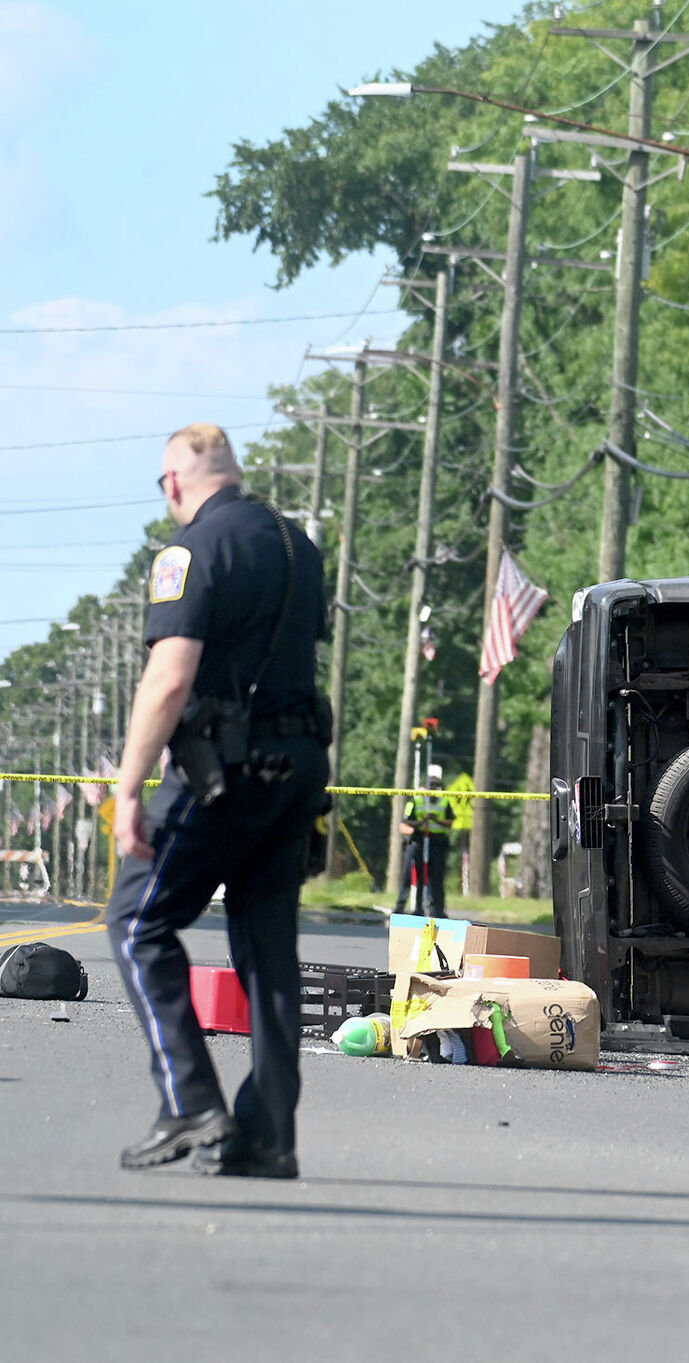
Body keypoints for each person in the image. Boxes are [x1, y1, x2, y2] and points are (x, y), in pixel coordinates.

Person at [105, 423, 329, 1178]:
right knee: (267, 946)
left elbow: (170, 678)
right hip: (300, 766)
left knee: (137, 919)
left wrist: (128, 786)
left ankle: (189, 1099)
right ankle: (268, 1136)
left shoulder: (192, 550)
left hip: (225, 768)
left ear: (174, 481)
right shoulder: (300, 546)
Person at [395, 763, 455, 915]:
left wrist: (436, 820)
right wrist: (422, 822)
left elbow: (450, 822)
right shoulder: (417, 800)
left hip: (438, 843)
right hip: (420, 841)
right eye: (431, 785)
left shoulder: (444, 801)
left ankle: (437, 910)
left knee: (437, 878)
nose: (433, 789)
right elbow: (405, 822)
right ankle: (416, 908)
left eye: (436, 786)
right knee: (418, 877)